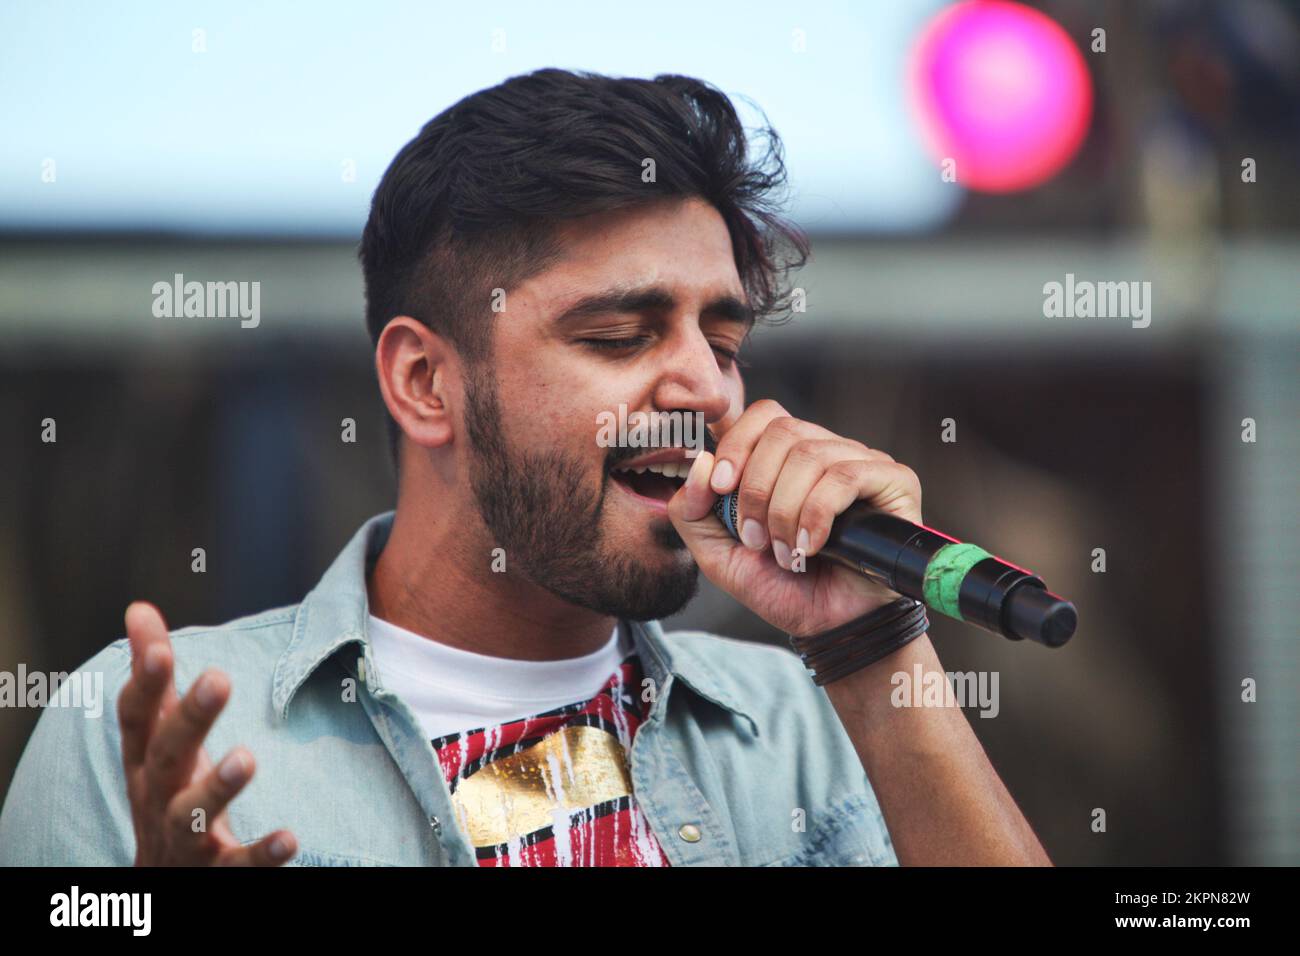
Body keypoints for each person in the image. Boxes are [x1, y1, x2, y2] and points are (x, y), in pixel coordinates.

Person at [0, 68, 1049, 867]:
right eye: (620, 333)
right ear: (423, 382)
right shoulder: (147, 733)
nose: (706, 389)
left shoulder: (797, 722)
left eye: (722, 343)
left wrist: (876, 648)